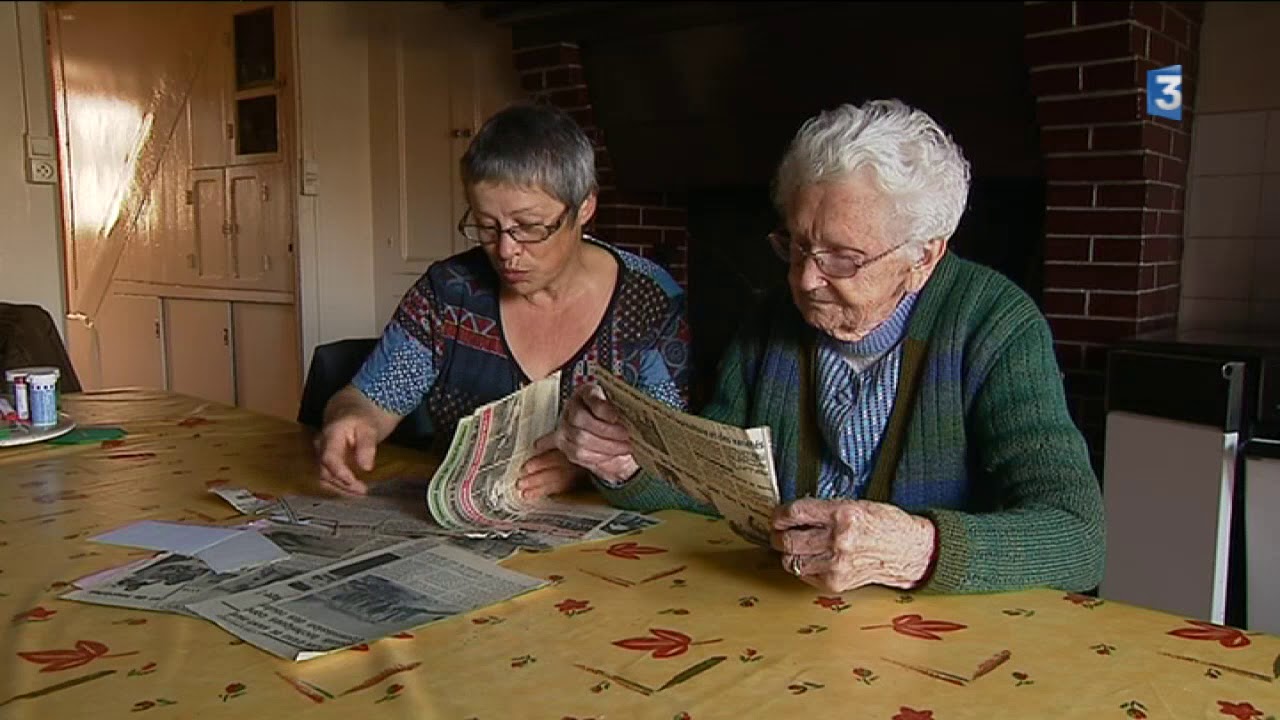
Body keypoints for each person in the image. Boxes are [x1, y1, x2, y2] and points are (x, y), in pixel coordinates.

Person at [547, 99, 1105, 596]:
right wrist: (626, 463)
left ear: (924, 256)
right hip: (780, 623)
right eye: (795, 245)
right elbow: (715, 489)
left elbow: (1079, 536)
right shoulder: (771, 318)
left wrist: (916, 549)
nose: (806, 280)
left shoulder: (995, 323)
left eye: (842, 258)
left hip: (936, 642)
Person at [316, 103, 690, 502]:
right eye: (486, 226)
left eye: (528, 227)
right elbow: (371, 398)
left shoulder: (648, 299)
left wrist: (585, 468)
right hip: (461, 520)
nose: (506, 250)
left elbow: (670, 454)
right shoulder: (449, 294)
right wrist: (350, 419)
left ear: (585, 207)